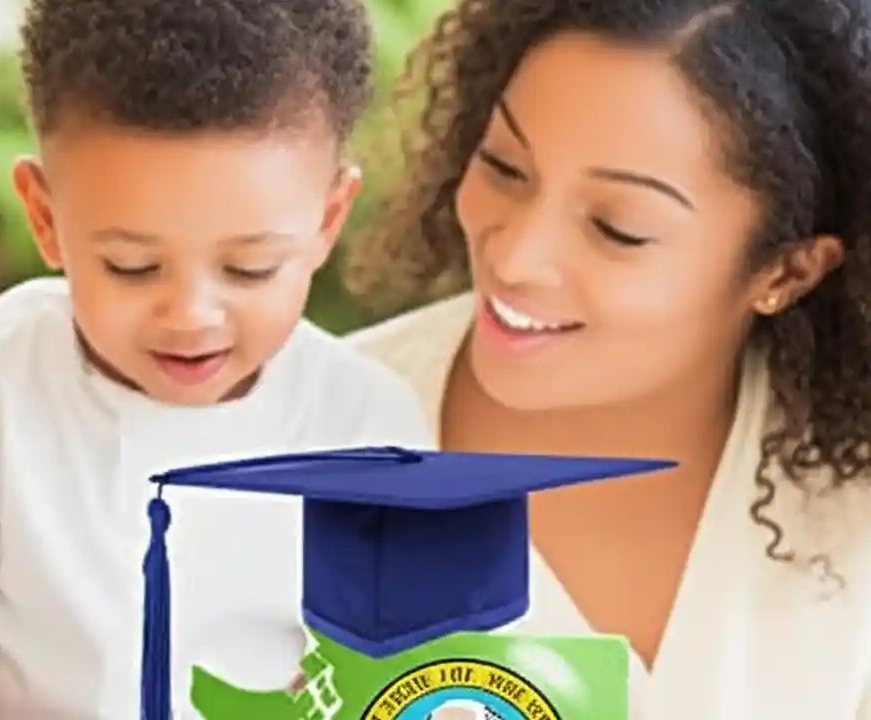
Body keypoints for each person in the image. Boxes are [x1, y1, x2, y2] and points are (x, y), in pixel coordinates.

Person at [0, 0, 432, 717]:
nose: (190, 316)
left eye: (250, 269)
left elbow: (394, 682)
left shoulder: (369, 426)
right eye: (131, 265)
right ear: (45, 217)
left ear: (327, 222)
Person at [344, 0, 871, 717]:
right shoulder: (305, 438)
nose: (515, 257)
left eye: (618, 229)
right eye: (503, 166)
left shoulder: (851, 506)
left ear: (785, 273)